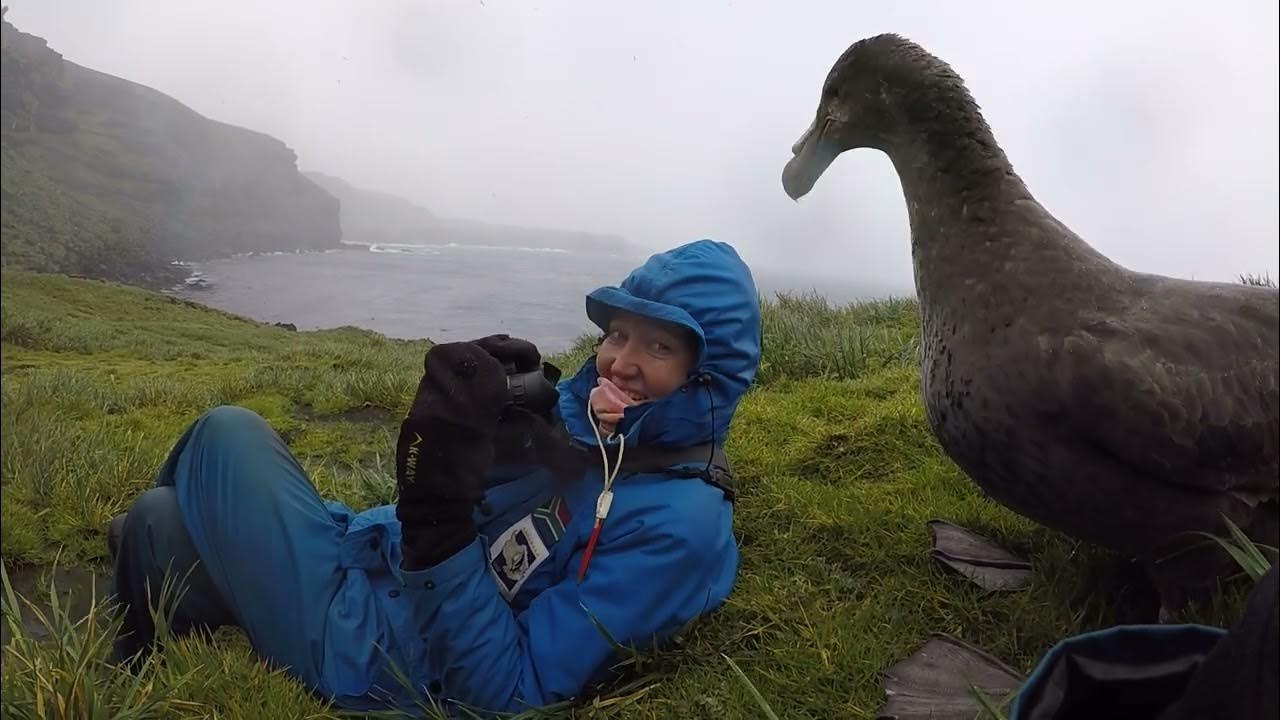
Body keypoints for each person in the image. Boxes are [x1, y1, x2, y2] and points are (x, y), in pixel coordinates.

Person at [108, 239, 762, 715]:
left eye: (658, 346)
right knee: (155, 522)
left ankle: (173, 630)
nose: (619, 362)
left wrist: (437, 528)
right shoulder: (591, 425)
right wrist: (500, 426)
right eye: (618, 333)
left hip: (384, 661)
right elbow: (495, 508)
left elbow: (512, 694)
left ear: (709, 378)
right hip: (374, 576)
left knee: (227, 434)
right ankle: (140, 665)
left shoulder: (680, 530)